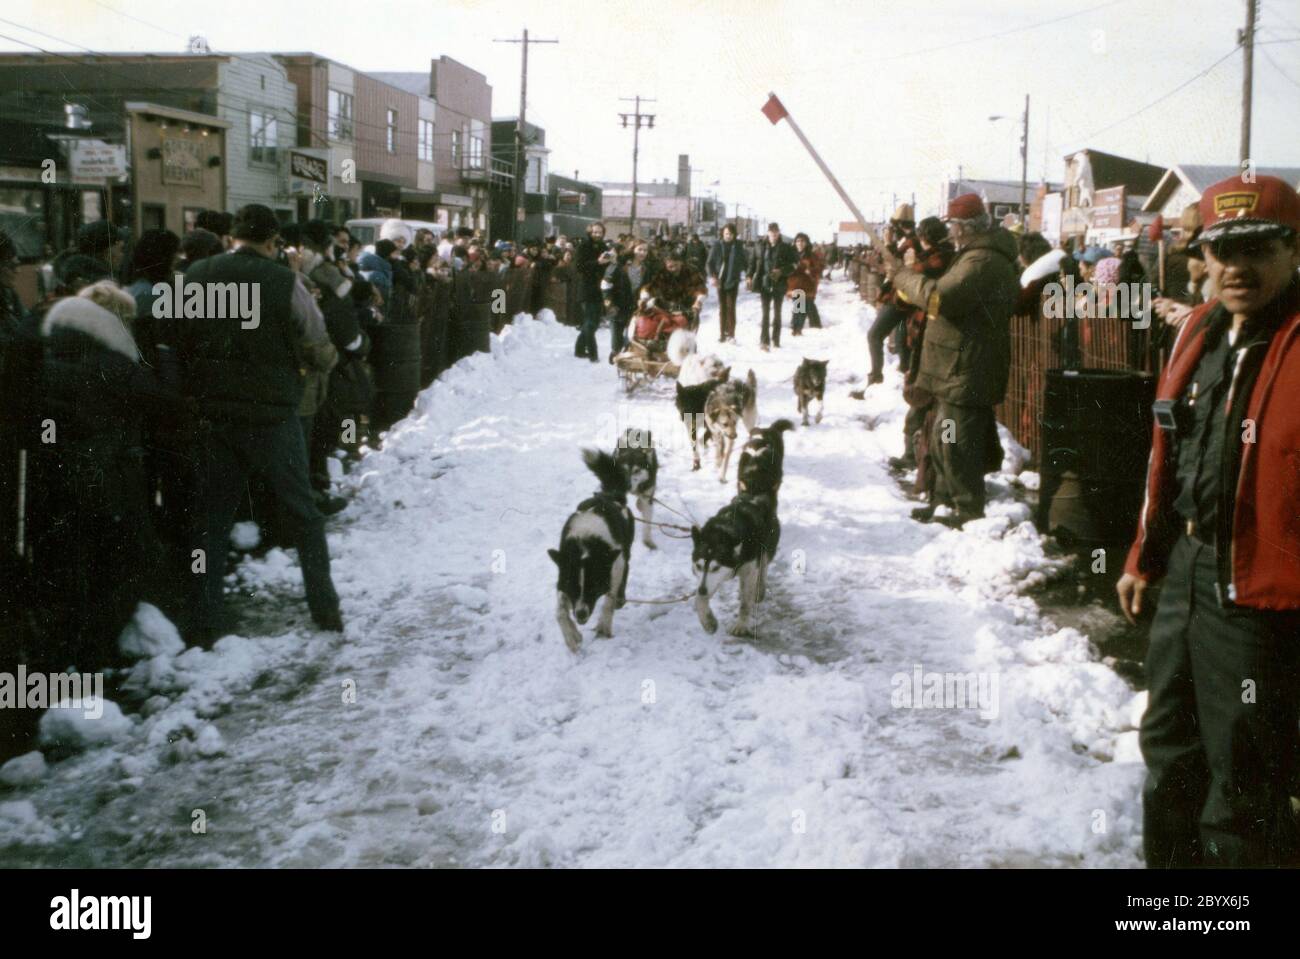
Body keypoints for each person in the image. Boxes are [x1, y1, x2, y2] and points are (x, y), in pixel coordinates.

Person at [1117, 174, 1300, 869]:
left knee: (1244, 778)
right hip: (1189, 572)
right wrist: (1142, 555)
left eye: (1257, 246)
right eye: (1222, 248)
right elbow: (1169, 454)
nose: (1236, 267)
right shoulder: (1199, 329)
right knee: (1168, 750)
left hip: (1262, 594)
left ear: (1293, 249)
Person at [176, 204, 343, 642]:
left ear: (233, 237)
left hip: (214, 414)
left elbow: (177, 339)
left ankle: (204, 620)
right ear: (272, 243)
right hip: (272, 416)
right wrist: (325, 362)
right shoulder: (285, 281)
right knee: (303, 513)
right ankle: (325, 608)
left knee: (210, 520)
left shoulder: (195, 276)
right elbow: (316, 339)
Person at [886, 193, 1018, 528]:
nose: (951, 233)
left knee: (957, 442)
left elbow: (940, 298)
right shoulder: (976, 256)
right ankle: (945, 501)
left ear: (967, 227)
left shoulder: (982, 262)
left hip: (968, 367)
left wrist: (902, 276)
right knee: (944, 439)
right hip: (958, 366)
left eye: (955, 226)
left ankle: (967, 509)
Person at [866, 204, 917, 384]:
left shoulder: (911, 242)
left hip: (901, 297)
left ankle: (877, 376)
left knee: (875, 335)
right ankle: (903, 369)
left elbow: (896, 265)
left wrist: (887, 244)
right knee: (902, 336)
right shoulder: (905, 241)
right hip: (903, 295)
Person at [602, 240, 656, 361]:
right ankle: (615, 351)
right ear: (633, 250)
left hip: (634, 308)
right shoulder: (619, 265)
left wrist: (645, 297)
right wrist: (609, 304)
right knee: (617, 341)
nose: (642, 253)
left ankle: (625, 360)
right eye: (640, 249)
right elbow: (605, 285)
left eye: (645, 250)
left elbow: (646, 287)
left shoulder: (645, 269)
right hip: (617, 307)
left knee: (630, 339)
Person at [747, 222, 796, 351]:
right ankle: (764, 341)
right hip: (764, 283)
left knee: (777, 313)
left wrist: (781, 271)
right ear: (768, 233)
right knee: (765, 314)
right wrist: (749, 276)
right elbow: (752, 263)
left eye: (776, 232)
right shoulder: (760, 246)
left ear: (779, 233)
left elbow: (794, 265)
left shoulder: (786, 247)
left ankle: (776, 340)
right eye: (771, 232)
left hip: (779, 284)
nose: (774, 234)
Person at [573, 221, 613, 362]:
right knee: (591, 323)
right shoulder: (583, 246)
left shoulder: (603, 246)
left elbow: (605, 267)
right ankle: (593, 354)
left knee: (593, 322)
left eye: (599, 232)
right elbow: (579, 267)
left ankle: (579, 349)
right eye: (594, 232)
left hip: (599, 289)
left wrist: (609, 261)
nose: (597, 234)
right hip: (586, 288)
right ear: (589, 232)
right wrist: (597, 262)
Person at [707, 223, 747, 343]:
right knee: (722, 308)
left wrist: (747, 275)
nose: (728, 236)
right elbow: (710, 263)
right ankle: (722, 334)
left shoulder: (739, 246)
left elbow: (745, 262)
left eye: (730, 234)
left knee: (731, 308)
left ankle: (731, 334)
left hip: (733, 280)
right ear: (722, 234)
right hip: (720, 280)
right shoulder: (717, 246)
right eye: (726, 234)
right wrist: (713, 276)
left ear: (734, 235)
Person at [787, 232, 824, 335]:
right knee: (802, 306)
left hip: (808, 285)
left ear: (807, 243)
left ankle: (798, 327)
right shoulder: (791, 254)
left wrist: (810, 270)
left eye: (803, 241)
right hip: (794, 284)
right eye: (798, 241)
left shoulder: (812, 256)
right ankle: (805, 326)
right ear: (795, 242)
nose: (800, 243)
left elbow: (819, 268)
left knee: (804, 306)